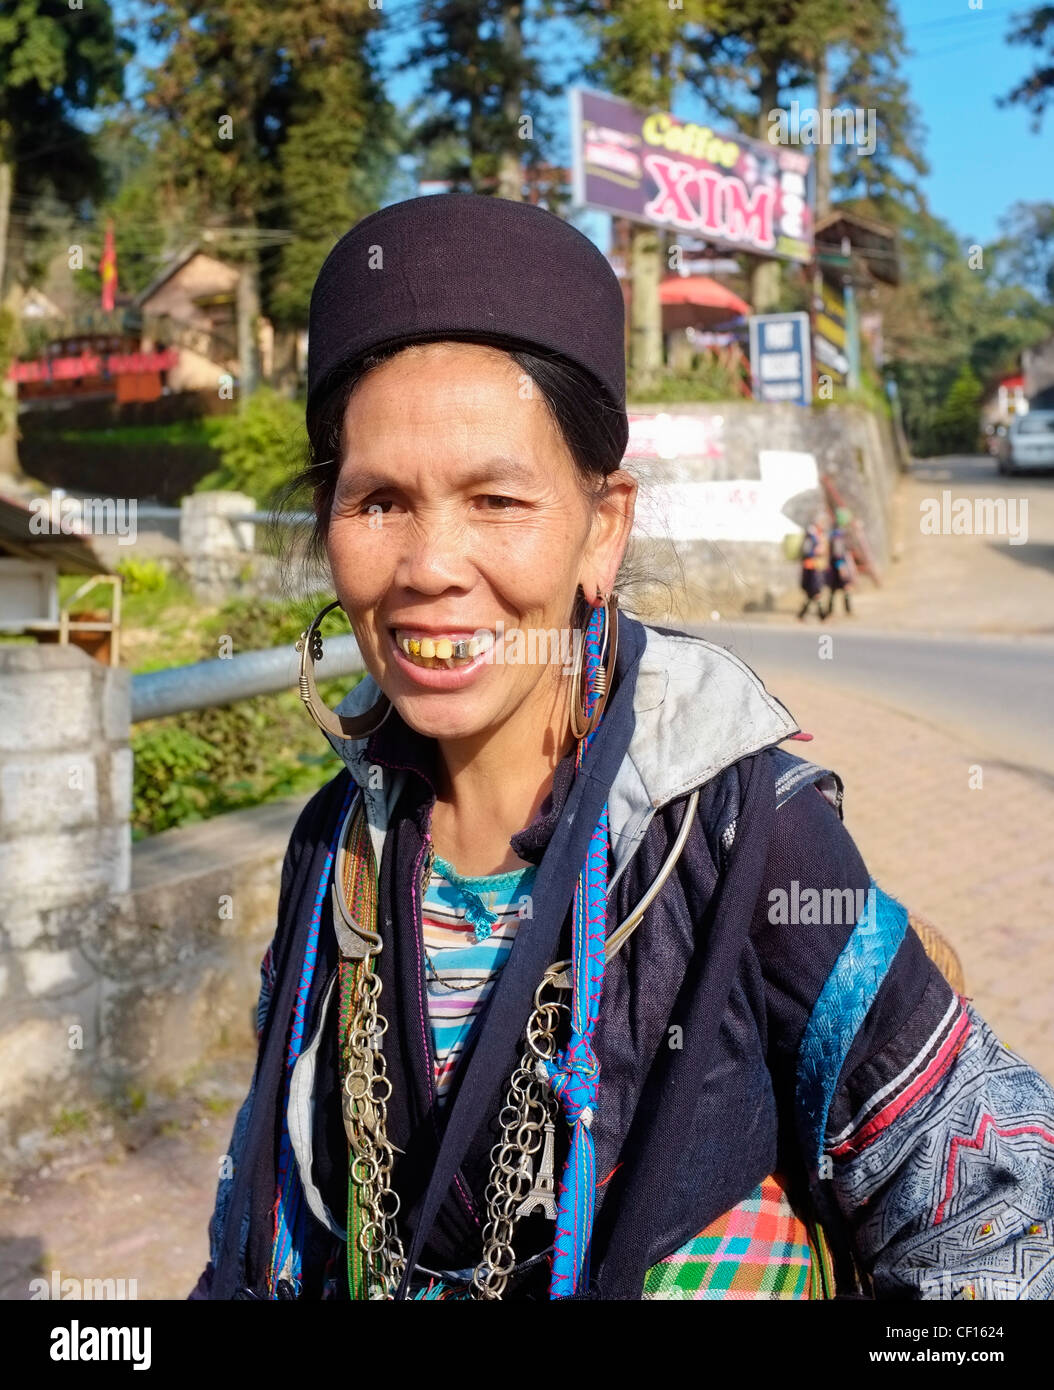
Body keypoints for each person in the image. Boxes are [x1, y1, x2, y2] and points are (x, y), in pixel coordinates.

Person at [192, 193, 1054, 1301]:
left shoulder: (735, 825)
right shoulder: (333, 852)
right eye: (378, 503)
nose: (428, 565)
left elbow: (994, 1203)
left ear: (603, 528)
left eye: (497, 498)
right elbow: (262, 1232)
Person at [825, 507, 856, 617]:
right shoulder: (838, 534)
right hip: (838, 565)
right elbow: (837, 553)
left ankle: (833, 610)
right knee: (843, 587)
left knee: (836, 589)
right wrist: (841, 566)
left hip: (836, 565)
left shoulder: (837, 532)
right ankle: (842, 610)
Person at [797, 517, 828, 622]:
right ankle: (822, 615)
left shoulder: (818, 536)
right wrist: (816, 551)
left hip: (816, 567)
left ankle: (802, 614)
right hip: (810, 568)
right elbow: (807, 551)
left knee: (812, 594)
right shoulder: (810, 536)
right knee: (815, 592)